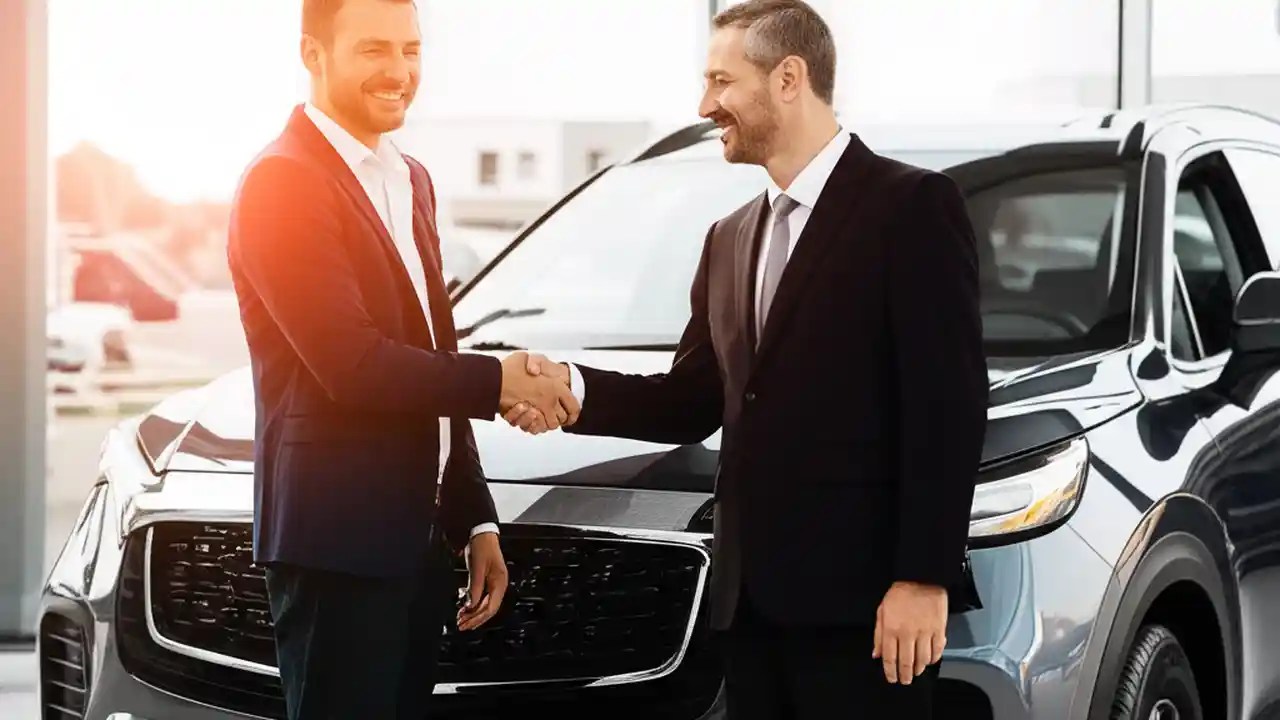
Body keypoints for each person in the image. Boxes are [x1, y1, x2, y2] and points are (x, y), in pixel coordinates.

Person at [506, 0, 988, 716]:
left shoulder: (911, 207)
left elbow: (946, 408)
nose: (706, 105)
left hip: (865, 612)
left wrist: (924, 578)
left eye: (721, 81)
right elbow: (694, 399)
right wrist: (569, 388)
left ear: (788, 78)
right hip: (746, 611)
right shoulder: (729, 238)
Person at [225, 0, 577, 716]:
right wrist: (502, 379)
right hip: (337, 545)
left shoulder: (410, 178)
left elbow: (431, 355)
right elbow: (350, 364)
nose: (400, 72)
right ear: (313, 55)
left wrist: (473, 517)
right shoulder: (281, 183)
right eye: (374, 50)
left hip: (417, 544)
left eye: (412, 50)